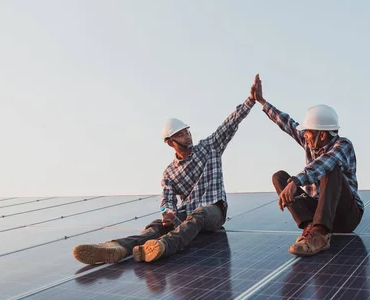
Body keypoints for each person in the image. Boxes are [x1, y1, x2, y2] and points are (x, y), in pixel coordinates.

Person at [72, 81, 256, 265]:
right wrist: (167, 212)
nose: (188, 136)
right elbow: (166, 200)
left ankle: (162, 247)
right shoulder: (169, 173)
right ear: (170, 142)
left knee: (200, 213)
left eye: (188, 132)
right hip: (186, 215)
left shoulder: (209, 148)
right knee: (156, 226)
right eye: (182, 134)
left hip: (214, 212)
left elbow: (230, 124)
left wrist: (250, 100)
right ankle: (116, 248)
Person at [251, 74, 363, 256]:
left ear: (323, 135)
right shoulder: (310, 141)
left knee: (329, 170)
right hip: (320, 208)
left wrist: (296, 182)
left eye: (309, 133)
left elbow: (323, 164)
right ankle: (311, 227)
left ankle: (320, 234)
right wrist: (262, 102)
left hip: (346, 215)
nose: (306, 136)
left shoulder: (343, 145)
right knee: (279, 177)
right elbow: (287, 123)